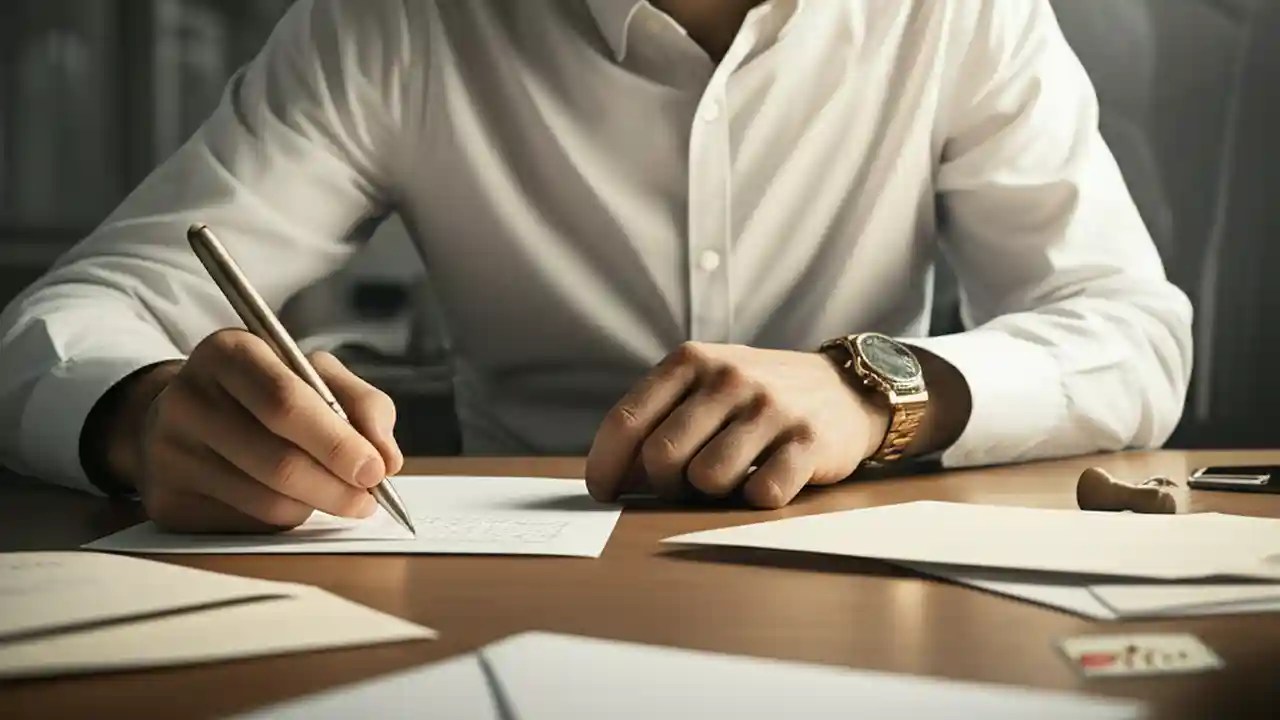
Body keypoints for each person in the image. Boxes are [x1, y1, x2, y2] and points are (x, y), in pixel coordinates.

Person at [0, 0, 1191, 532]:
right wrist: (143, 417)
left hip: (864, 566)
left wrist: (873, 388)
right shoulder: (393, 21)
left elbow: (1130, 330)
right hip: (489, 593)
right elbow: (69, 319)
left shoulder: (957, 11)